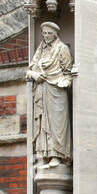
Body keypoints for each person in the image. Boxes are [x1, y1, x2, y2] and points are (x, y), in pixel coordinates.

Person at [27, 21, 75, 166]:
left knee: (57, 124)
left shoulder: (62, 49)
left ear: (55, 35)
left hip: (56, 90)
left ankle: (58, 155)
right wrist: (35, 75)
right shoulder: (40, 51)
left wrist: (65, 82)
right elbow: (30, 70)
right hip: (41, 89)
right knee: (42, 122)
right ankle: (44, 154)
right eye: (44, 33)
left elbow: (68, 73)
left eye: (49, 33)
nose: (46, 36)